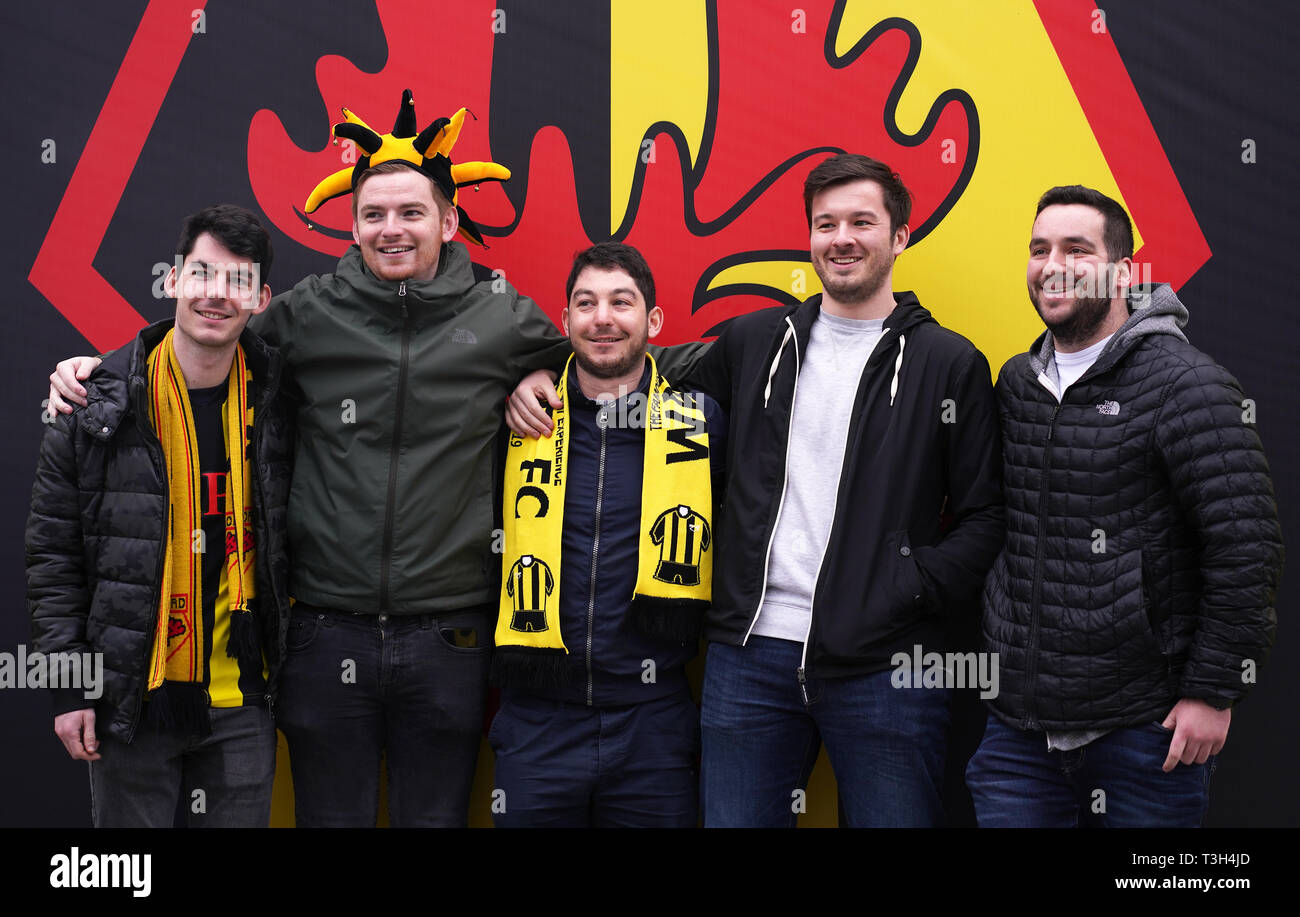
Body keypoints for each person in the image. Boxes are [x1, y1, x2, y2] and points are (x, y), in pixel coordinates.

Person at [45, 91, 573, 827]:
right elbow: (202, 332)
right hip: (325, 636)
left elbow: (602, 366)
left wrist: (542, 375)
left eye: (412, 213)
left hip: (449, 636)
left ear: (449, 222)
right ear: (352, 224)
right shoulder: (305, 312)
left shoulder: (503, 314)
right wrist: (94, 370)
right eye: (373, 215)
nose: (392, 229)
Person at [508, 153, 1004, 827]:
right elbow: (625, 380)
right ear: (810, 238)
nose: (843, 237)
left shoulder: (949, 363)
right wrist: (538, 375)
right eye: (826, 223)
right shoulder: (754, 342)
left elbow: (984, 518)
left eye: (862, 221)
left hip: (886, 665)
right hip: (749, 657)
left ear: (901, 236)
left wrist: (907, 587)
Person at [965, 185, 1284, 827]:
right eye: (1039, 248)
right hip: (1018, 734)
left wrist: (1211, 692)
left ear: (1122, 270)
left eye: (1076, 249)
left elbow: (1245, 546)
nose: (1052, 264)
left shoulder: (1185, 384)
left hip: (1146, 734)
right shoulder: (1017, 384)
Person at [27, 204, 292, 827]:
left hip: (244, 703)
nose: (216, 294)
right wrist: (70, 688)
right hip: (131, 700)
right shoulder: (97, 406)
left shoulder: (282, 403)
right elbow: (54, 560)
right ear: (172, 280)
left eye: (238, 281)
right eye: (202, 273)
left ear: (262, 298)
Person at [490, 242, 725, 827]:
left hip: (653, 721)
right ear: (564, 320)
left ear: (653, 321)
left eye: (622, 302)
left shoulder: (702, 422)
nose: (603, 319)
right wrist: (528, 380)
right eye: (585, 303)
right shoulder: (520, 419)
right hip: (537, 719)